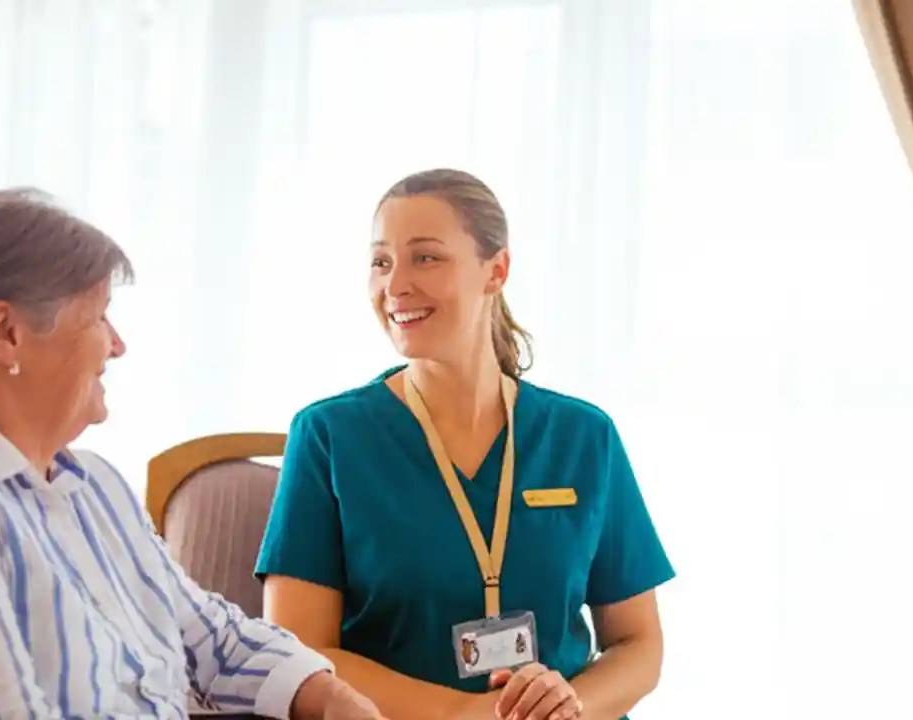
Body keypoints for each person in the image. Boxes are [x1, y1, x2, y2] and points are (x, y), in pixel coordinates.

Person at [0, 188, 384, 719]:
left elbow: (215, 640)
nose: (117, 344)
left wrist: (332, 698)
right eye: (99, 315)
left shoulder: (95, 487)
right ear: (6, 332)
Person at [255, 169, 674, 720]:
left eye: (425, 258)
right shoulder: (331, 436)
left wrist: (567, 709)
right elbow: (298, 653)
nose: (395, 285)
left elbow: (639, 644)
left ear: (496, 271)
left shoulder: (584, 437)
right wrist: (462, 715)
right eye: (381, 262)